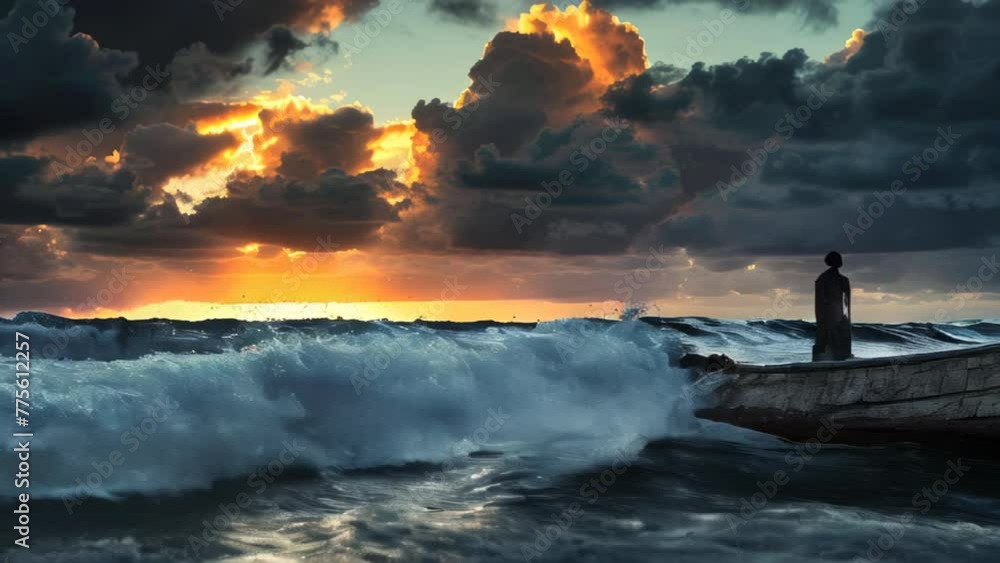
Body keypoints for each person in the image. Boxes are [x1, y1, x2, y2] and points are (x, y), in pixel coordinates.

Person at [813, 251, 852, 361]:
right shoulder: (838, 280)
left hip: (832, 317)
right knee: (836, 346)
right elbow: (846, 306)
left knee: (832, 345)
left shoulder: (822, 279)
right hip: (834, 318)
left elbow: (819, 303)